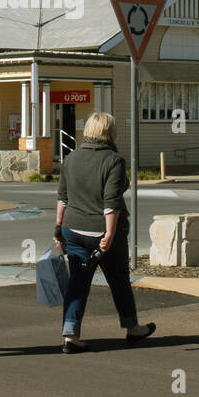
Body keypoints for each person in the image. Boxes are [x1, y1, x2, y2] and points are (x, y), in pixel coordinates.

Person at [53, 111, 156, 353]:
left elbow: (62, 197)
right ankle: (132, 328)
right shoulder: (113, 160)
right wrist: (109, 235)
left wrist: (58, 226)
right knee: (118, 280)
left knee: (77, 284)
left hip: (72, 229)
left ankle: (70, 334)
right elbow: (111, 203)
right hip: (103, 233)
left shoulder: (71, 158)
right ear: (109, 133)